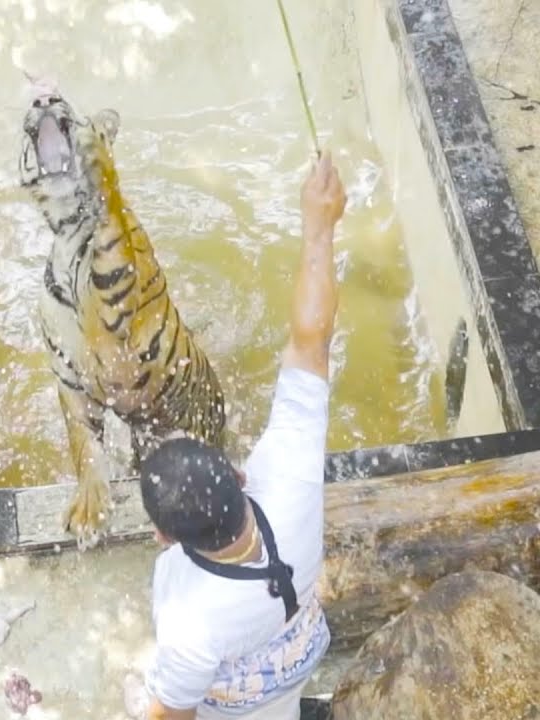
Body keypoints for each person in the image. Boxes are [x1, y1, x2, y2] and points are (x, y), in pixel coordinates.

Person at [132, 151, 347, 719]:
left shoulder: (188, 622)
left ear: (162, 536)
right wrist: (320, 227)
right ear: (236, 475)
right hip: (297, 654)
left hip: (234, 704)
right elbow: (311, 341)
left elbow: (169, 712)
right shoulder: (290, 481)